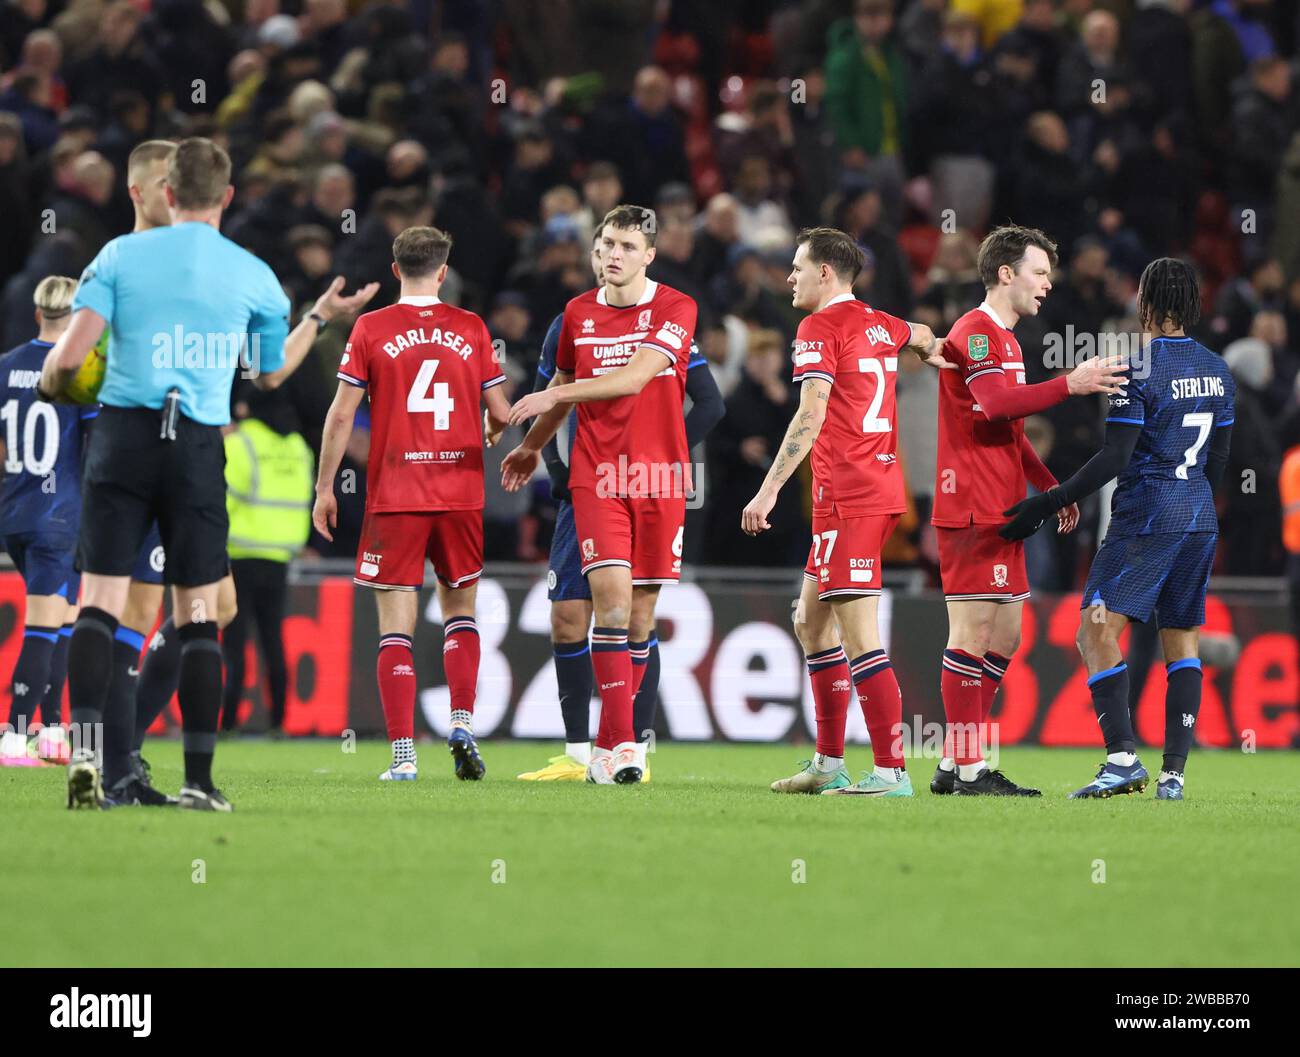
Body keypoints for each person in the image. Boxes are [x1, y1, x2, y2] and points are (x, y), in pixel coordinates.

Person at [39, 137, 375, 811]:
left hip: (123, 436)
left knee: (97, 605)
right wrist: (317, 317)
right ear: (226, 196)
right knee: (199, 615)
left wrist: (53, 384)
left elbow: (69, 361)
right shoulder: (252, 273)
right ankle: (197, 779)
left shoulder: (118, 257)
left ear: (167, 193)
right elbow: (271, 369)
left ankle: (85, 764)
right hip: (196, 444)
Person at [1001, 259, 1235, 801]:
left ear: (1145, 304)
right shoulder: (1219, 371)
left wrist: (1051, 500)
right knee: (1183, 641)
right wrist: (1192, 501)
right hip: (1198, 517)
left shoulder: (1137, 369)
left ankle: (1123, 759)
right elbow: (1219, 464)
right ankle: (1173, 775)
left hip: (1146, 516)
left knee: (1095, 630)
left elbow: (1115, 457)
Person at [741, 227, 944, 797]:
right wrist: (945, 357)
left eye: (798, 267)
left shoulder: (818, 327)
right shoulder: (881, 323)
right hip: (861, 495)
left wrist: (769, 489)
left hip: (852, 497)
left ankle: (891, 772)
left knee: (859, 637)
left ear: (825, 273)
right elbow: (925, 336)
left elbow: (809, 415)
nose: (790, 277)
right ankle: (830, 763)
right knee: (809, 624)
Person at [503, 204, 699, 785]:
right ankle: (624, 753)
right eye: (606, 244)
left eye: (627, 247)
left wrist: (545, 400)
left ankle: (614, 745)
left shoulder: (675, 307)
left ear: (649, 256)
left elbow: (634, 378)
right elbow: (563, 391)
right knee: (610, 606)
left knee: (640, 616)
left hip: (660, 478)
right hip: (598, 477)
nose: (614, 255)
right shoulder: (576, 313)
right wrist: (535, 446)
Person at [930, 224, 1126, 796]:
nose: (1048, 285)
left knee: (1007, 634)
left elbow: (1011, 430)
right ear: (1006, 273)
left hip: (1006, 504)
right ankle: (966, 769)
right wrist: (1071, 382)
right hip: (969, 504)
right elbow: (993, 405)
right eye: (1040, 273)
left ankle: (954, 761)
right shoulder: (978, 332)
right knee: (971, 634)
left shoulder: (1009, 341)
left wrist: (1051, 488)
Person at [313, 225, 511, 783]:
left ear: (396, 270)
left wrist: (325, 488)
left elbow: (341, 414)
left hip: (396, 494)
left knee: (394, 630)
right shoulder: (471, 328)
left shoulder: (371, 328)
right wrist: (492, 429)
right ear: (443, 272)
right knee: (459, 613)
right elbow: (501, 408)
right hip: (460, 493)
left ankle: (403, 757)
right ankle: (463, 722)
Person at [0, 275, 93, 767]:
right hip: (60, 518)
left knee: (63, 619)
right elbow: (94, 448)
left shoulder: (5, 367)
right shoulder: (78, 370)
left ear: (38, 313)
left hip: (15, 512)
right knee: (44, 625)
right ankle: (15, 734)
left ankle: (54, 730)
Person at [221, 389, 315, 734]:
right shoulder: (299, 448)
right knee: (272, 639)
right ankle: (279, 722)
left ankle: (227, 721)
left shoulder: (241, 442)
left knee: (235, 642)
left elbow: (223, 498)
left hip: (240, 553)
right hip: (280, 555)